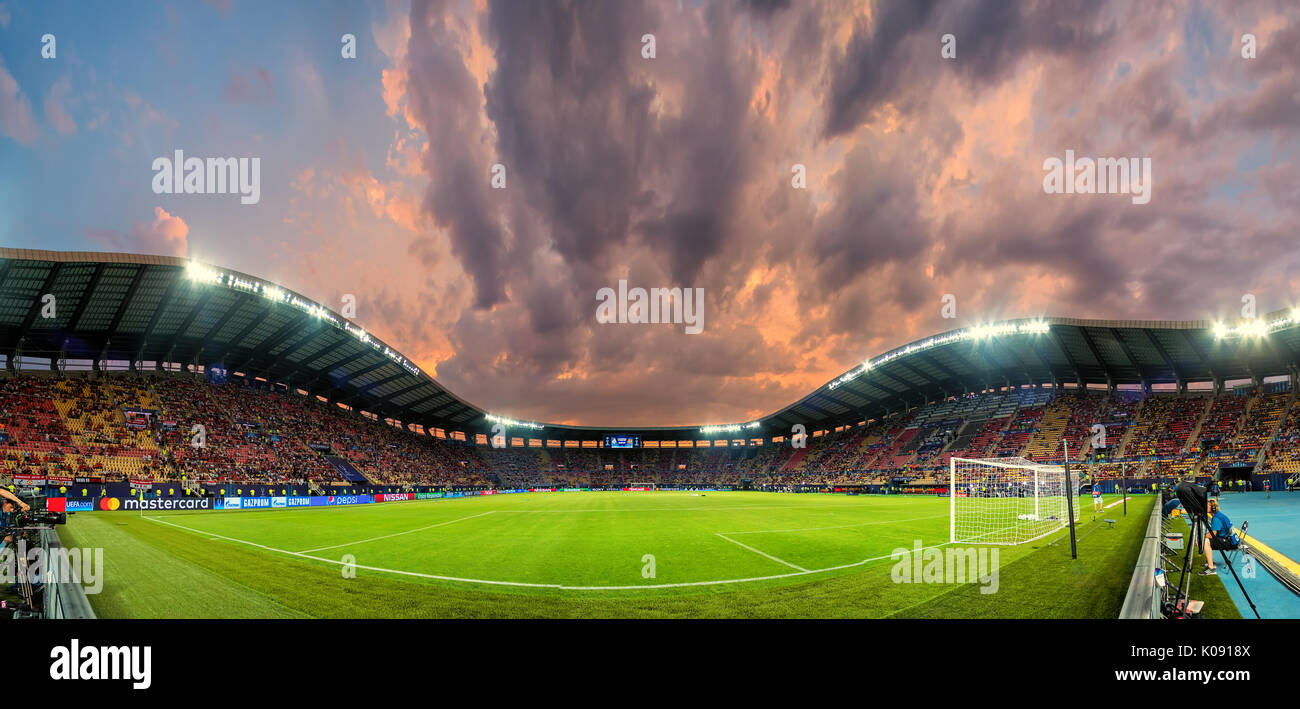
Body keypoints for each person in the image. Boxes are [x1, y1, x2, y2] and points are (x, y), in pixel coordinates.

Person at [1198, 498, 1239, 576]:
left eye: (1207, 506)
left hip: (1229, 542)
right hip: (1228, 539)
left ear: (1213, 508)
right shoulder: (1218, 515)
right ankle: (1210, 562)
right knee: (1205, 539)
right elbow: (1213, 533)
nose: (1204, 507)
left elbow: (1212, 534)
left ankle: (1211, 568)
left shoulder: (1216, 518)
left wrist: (1200, 537)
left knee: (1206, 541)